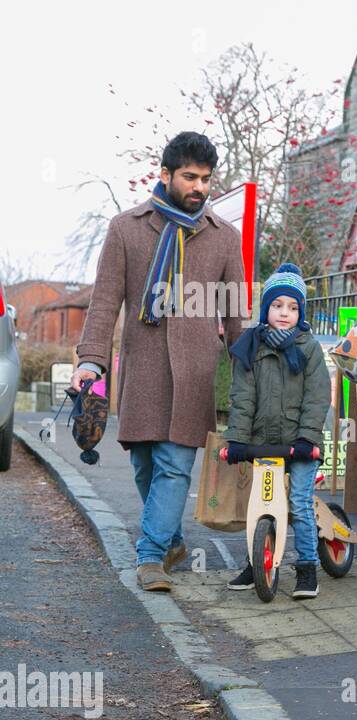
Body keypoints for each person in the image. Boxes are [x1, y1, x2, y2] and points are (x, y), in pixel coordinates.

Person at [72, 132, 247, 592]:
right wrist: (91, 361)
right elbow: (105, 302)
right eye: (190, 177)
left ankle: (149, 557)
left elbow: (235, 317)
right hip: (143, 366)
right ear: (165, 175)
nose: (200, 188)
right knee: (145, 465)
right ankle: (169, 541)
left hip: (195, 372)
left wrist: (250, 372)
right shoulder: (126, 228)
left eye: (206, 179)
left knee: (174, 465)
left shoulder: (224, 238)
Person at [223, 264, 331, 599]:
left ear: (301, 312)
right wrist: (237, 441)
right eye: (277, 305)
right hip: (263, 443)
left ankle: (307, 568)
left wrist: (307, 439)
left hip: (300, 443)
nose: (285, 313)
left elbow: (317, 397)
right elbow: (242, 398)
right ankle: (256, 563)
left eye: (293, 307)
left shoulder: (308, 348)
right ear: (266, 309)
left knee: (298, 504)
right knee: (260, 504)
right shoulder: (251, 347)